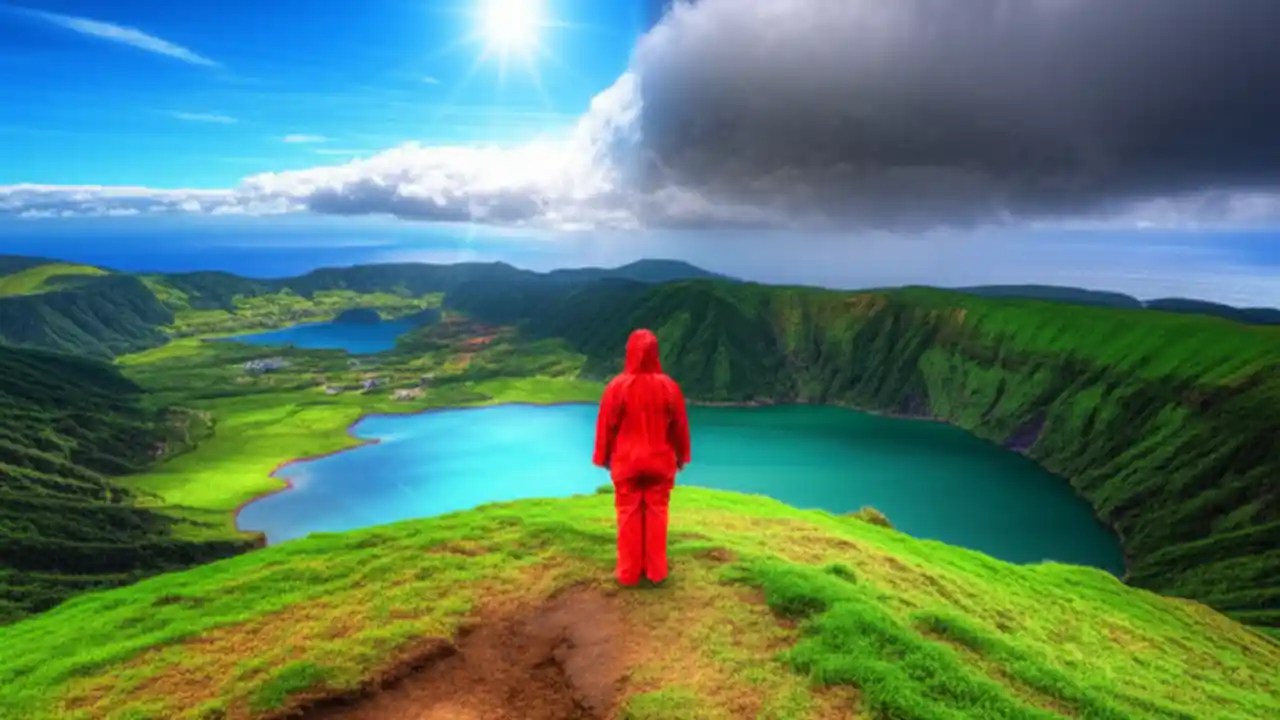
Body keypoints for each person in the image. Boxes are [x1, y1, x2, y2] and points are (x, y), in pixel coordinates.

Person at [593, 328, 691, 587]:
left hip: (626, 464)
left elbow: (606, 428)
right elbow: (679, 428)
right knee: (657, 514)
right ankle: (656, 572)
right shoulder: (669, 387)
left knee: (628, 515)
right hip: (660, 463)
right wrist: (681, 457)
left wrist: (604, 458)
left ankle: (628, 573)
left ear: (629, 353)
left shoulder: (615, 388)